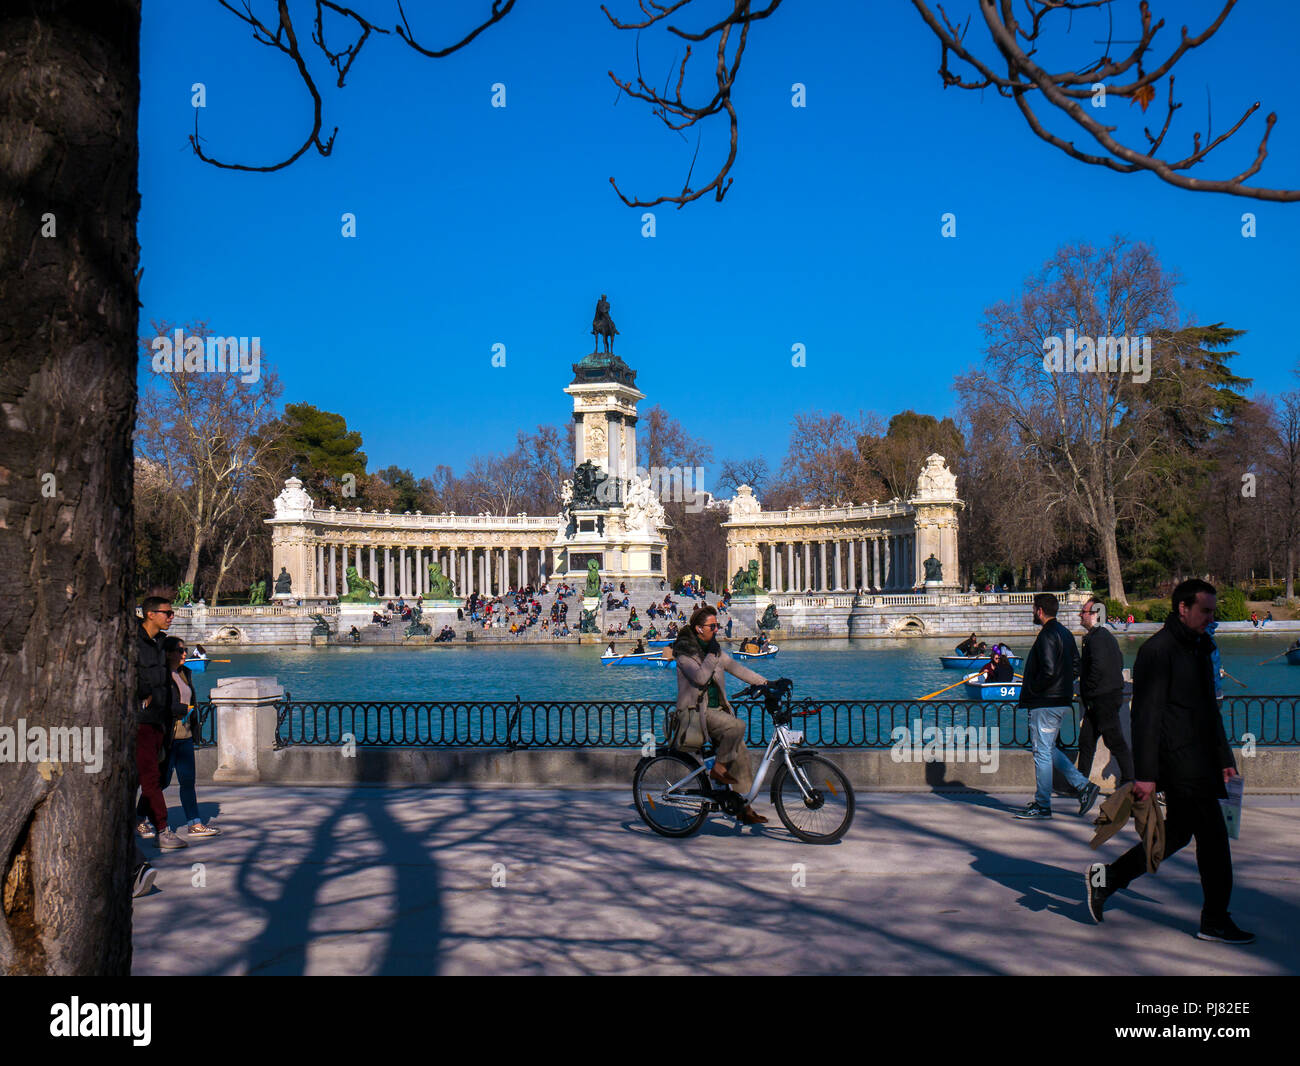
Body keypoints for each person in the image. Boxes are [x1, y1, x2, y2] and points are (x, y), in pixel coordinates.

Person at [1085, 580, 1251, 944]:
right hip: (1179, 763)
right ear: (1183, 609)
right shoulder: (1156, 652)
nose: (1212, 618)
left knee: (1176, 834)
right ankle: (1215, 920)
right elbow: (1146, 716)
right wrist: (1145, 775)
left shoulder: (1202, 647)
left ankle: (1109, 878)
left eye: (1213, 611)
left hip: (1203, 760)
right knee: (1214, 840)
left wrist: (1225, 758)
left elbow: (1211, 711)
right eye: (1205, 611)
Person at [670, 605, 771, 825]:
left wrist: (768, 684)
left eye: (717, 625)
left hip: (717, 712)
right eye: (712, 626)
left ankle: (743, 806)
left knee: (741, 754)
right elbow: (699, 678)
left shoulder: (714, 651)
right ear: (698, 629)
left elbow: (739, 669)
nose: (716, 629)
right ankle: (718, 770)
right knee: (736, 726)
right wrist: (711, 657)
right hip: (697, 714)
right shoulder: (684, 653)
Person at [1014, 593, 1098, 820]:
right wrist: (1062, 687)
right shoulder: (1066, 633)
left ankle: (1043, 805)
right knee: (1048, 749)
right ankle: (1084, 786)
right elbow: (1075, 667)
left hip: (1045, 702)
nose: (1033, 613)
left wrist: (1034, 691)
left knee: (1041, 753)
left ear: (1039, 611)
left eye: (1033, 609)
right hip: (1061, 701)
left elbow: (1049, 671)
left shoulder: (1046, 636)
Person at [156, 637, 221, 839]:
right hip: (169, 736)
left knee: (188, 781)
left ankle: (195, 823)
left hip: (185, 734)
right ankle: (141, 817)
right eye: (180, 650)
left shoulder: (186, 673)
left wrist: (192, 715)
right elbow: (160, 704)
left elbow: (189, 698)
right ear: (167, 653)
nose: (185, 654)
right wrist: (180, 709)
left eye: (185, 650)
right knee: (162, 782)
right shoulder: (161, 676)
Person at [135, 597, 186, 849]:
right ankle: (163, 829)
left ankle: (137, 819)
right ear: (150, 614)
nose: (171, 616)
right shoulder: (135, 641)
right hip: (142, 720)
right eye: (167, 613)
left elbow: (164, 680)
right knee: (150, 777)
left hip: (160, 720)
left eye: (172, 612)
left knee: (157, 777)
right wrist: (143, 692)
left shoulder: (159, 643)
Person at [1076, 596, 1134, 785]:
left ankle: (1129, 780)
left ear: (1095, 615)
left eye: (1083, 612)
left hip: (1103, 699)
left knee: (1114, 741)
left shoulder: (1097, 638)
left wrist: (1089, 688)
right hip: (1101, 699)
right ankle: (1081, 783)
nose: (1080, 615)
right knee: (1086, 741)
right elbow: (1119, 661)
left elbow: (1098, 667)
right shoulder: (1103, 636)